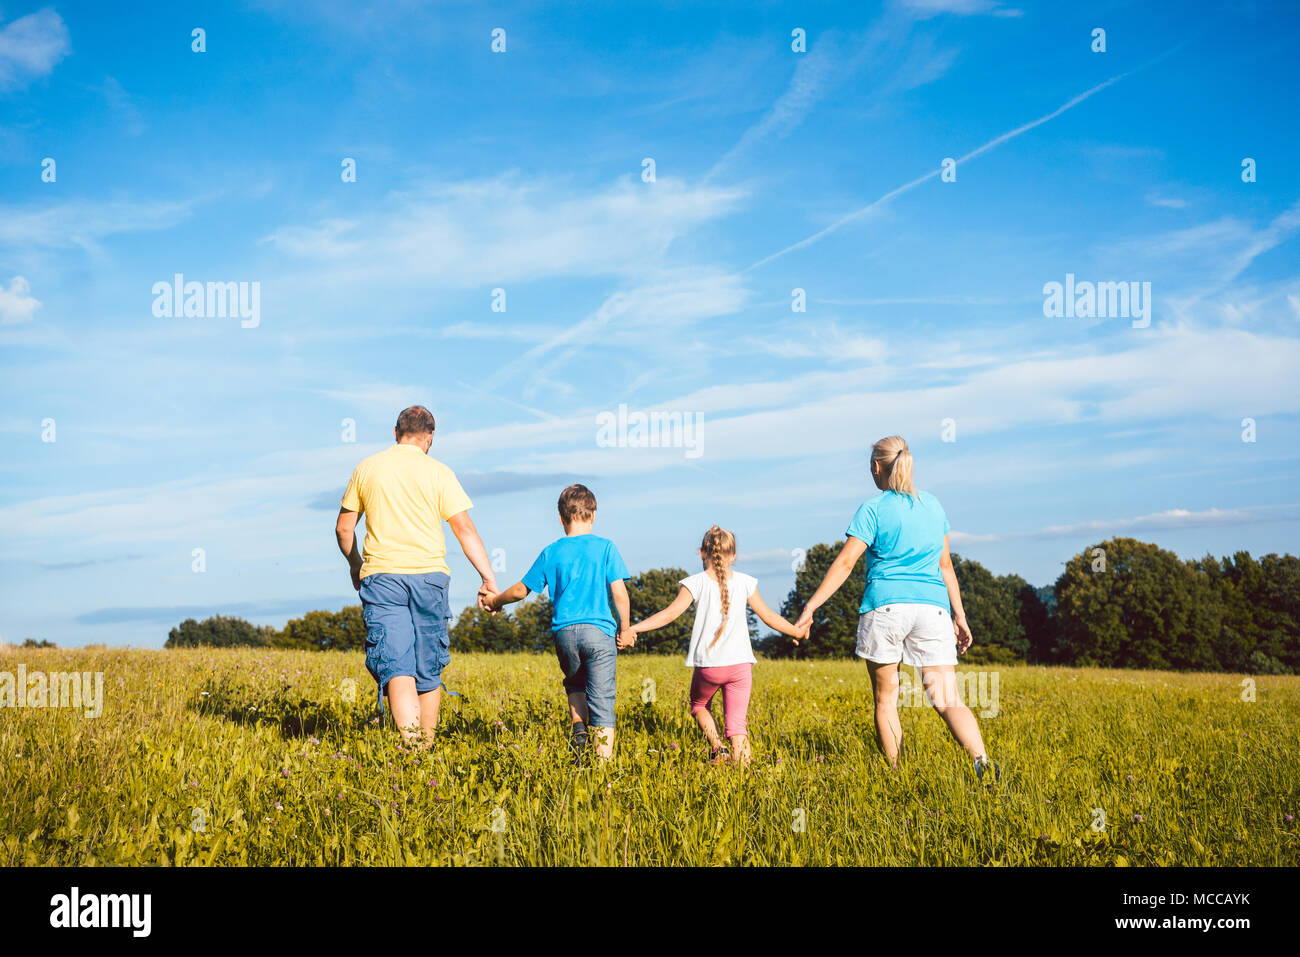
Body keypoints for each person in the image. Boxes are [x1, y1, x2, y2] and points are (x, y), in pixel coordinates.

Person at [793, 435, 999, 782]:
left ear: (877, 466)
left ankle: (896, 776)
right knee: (948, 698)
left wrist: (810, 606)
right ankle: (982, 762)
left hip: (886, 608)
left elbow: (845, 564)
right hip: (933, 610)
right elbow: (945, 566)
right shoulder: (933, 506)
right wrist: (959, 614)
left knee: (886, 699)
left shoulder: (872, 509)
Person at [334, 405, 497, 746]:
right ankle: (427, 745)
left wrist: (355, 564)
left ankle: (411, 751)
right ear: (430, 437)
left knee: (396, 664)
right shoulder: (440, 472)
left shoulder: (367, 467)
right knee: (428, 668)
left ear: (396, 433)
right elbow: (464, 529)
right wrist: (487, 578)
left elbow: (344, 528)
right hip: (430, 580)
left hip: (383, 578)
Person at [623, 525, 807, 765]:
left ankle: (718, 748)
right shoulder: (746, 582)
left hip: (709, 666)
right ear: (734, 556)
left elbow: (669, 615)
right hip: (741, 666)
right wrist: (796, 631)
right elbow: (769, 617)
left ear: (702, 553)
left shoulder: (694, 583)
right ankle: (744, 778)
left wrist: (634, 628)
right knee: (738, 725)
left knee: (699, 705)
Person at [484, 484, 631, 763]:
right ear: (594, 514)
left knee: (575, 684)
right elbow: (619, 593)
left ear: (561, 518)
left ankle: (579, 735)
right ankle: (602, 767)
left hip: (564, 634)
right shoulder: (605, 548)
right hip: (599, 633)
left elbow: (520, 590)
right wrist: (625, 629)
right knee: (602, 698)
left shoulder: (552, 551)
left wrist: (495, 602)